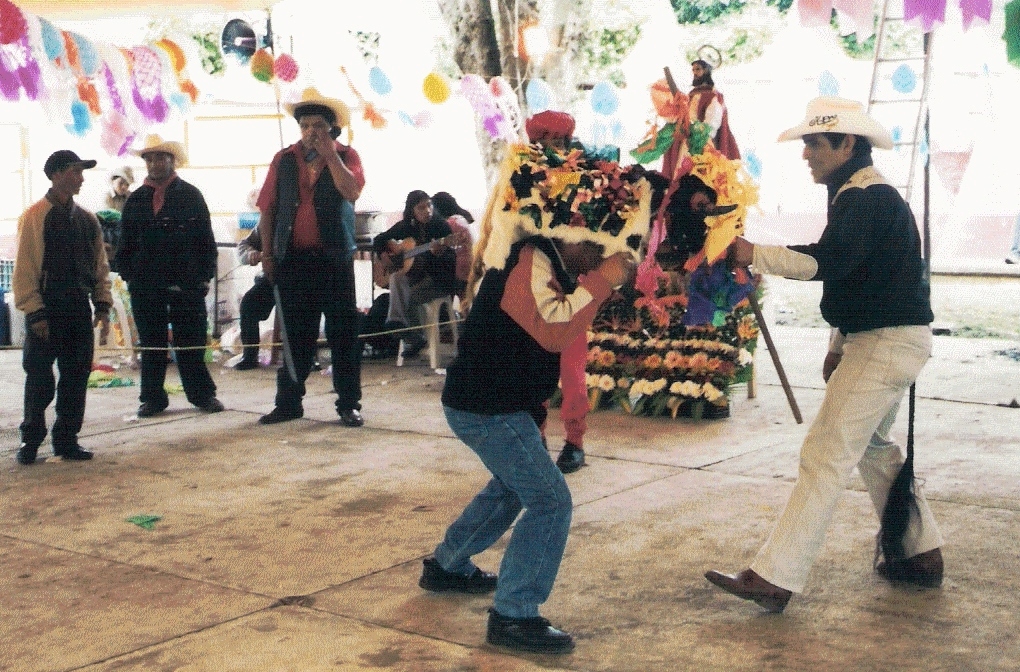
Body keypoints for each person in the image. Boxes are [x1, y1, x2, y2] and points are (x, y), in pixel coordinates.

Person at [705, 97, 944, 613]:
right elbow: (860, 273)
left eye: (815, 143)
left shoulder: (869, 198)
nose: (806, 153)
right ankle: (920, 554)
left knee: (825, 454)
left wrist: (753, 253)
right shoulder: (859, 197)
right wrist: (839, 343)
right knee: (874, 449)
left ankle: (774, 575)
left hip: (886, 341)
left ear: (847, 145)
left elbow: (828, 263)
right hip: (883, 338)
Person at [424, 229, 635, 654]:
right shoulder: (527, 260)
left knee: (512, 488)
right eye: (598, 250)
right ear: (572, 236)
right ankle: (513, 615)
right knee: (550, 501)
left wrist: (601, 283)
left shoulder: (545, 260)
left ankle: (447, 566)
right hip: (489, 407)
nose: (600, 261)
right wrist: (601, 281)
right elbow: (552, 328)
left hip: (498, 404)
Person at [256, 88, 365, 427]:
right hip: (293, 261)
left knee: (343, 333)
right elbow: (267, 209)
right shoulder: (283, 158)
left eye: (318, 125)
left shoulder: (348, 156)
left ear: (333, 128)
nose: (311, 132)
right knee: (295, 334)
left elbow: (352, 191)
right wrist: (269, 255)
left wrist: (331, 156)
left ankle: (349, 404)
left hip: (334, 260)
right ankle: (288, 403)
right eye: (305, 125)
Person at [13, 150, 112, 464]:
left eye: (81, 172)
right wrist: (34, 310)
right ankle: (31, 440)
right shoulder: (35, 216)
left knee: (75, 376)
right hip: (47, 307)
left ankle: (66, 439)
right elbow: (25, 267)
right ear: (56, 174)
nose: (81, 178)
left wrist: (102, 304)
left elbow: (99, 265)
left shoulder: (87, 219)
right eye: (75, 171)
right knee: (40, 379)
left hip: (77, 308)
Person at [116, 135, 224, 418]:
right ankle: (152, 398)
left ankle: (202, 394)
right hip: (145, 284)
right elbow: (125, 243)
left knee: (191, 340)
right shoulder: (136, 200)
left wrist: (203, 278)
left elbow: (205, 241)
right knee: (152, 342)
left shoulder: (191, 195)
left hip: (186, 282)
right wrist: (129, 276)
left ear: (171, 160)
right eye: (149, 158)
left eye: (160, 157)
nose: (154, 163)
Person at [372, 191, 462, 358]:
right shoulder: (407, 227)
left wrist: (438, 254)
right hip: (417, 281)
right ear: (412, 210)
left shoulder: (441, 226)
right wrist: (384, 255)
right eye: (421, 207)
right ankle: (405, 330)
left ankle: (405, 331)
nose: (427, 210)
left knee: (402, 293)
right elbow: (379, 239)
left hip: (437, 282)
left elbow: (451, 261)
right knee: (396, 277)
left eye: (429, 205)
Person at [234, 226, 273, 370]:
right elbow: (243, 245)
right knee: (248, 304)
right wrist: (251, 253)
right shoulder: (270, 220)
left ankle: (308, 358)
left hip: (302, 280)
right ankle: (250, 356)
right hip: (272, 278)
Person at [689, 59, 740, 161]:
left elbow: (712, 121)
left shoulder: (713, 95)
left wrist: (702, 138)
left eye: (698, 69)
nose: (695, 73)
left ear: (706, 71)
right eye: (693, 70)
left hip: (704, 142)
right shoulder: (691, 94)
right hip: (689, 139)